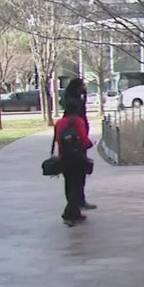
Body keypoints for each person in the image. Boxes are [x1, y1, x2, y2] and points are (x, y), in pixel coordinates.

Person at [54, 98, 92, 226]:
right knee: (78, 185)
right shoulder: (77, 121)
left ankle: (75, 212)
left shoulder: (59, 123)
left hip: (64, 157)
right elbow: (83, 139)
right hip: (77, 158)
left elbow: (58, 140)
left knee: (69, 184)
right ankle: (69, 212)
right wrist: (88, 145)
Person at [61, 77, 96, 211]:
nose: (85, 87)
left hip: (70, 148)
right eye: (83, 85)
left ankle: (76, 201)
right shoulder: (75, 115)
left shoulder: (74, 101)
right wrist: (86, 142)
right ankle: (74, 204)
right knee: (77, 176)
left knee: (72, 177)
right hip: (76, 146)